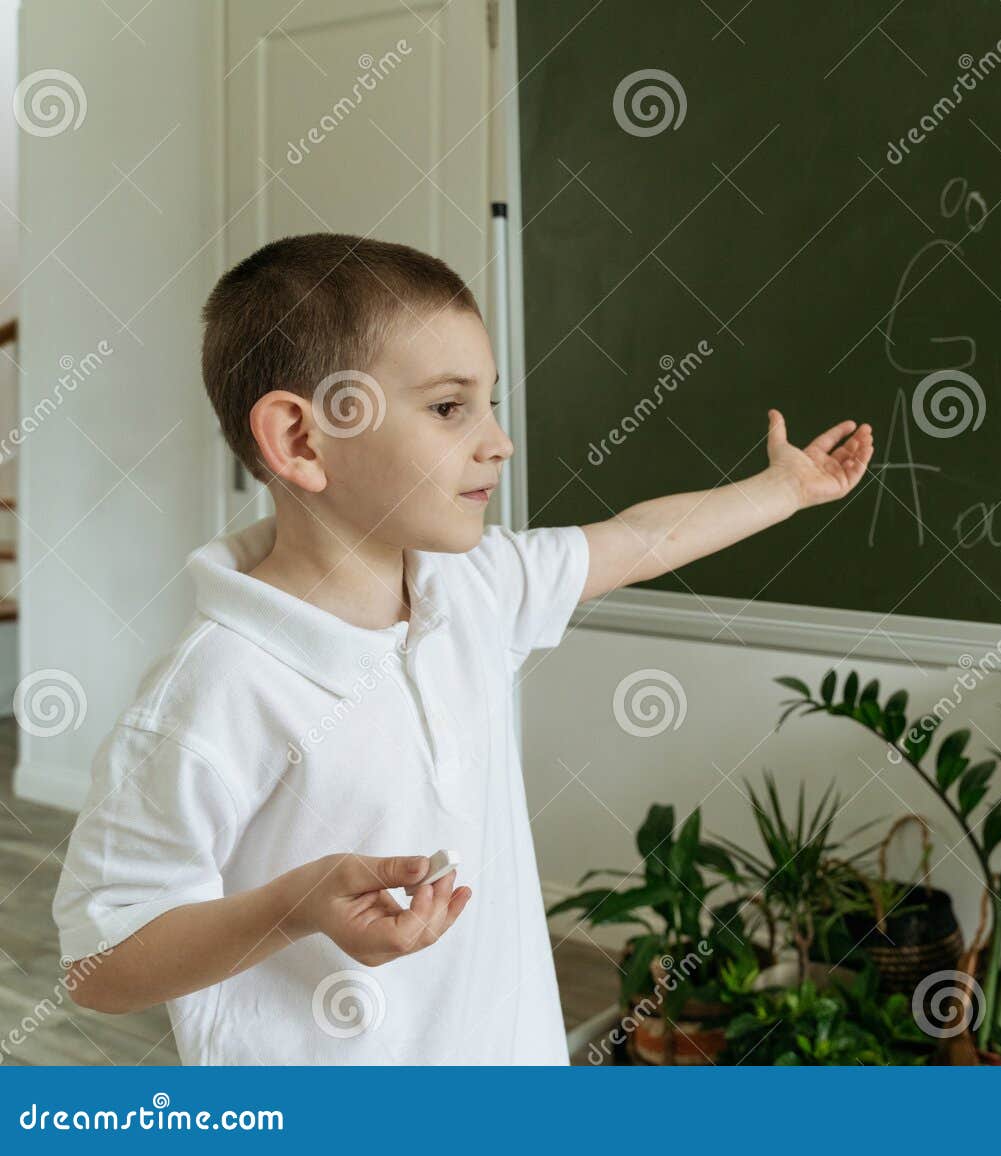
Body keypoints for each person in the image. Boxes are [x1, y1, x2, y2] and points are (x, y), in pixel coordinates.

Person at [51, 233, 873, 1063]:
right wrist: (294, 907)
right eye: (450, 408)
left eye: (490, 403)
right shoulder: (214, 690)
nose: (499, 442)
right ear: (300, 440)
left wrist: (784, 489)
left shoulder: (474, 586)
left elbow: (636, 540)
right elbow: (97, 965)